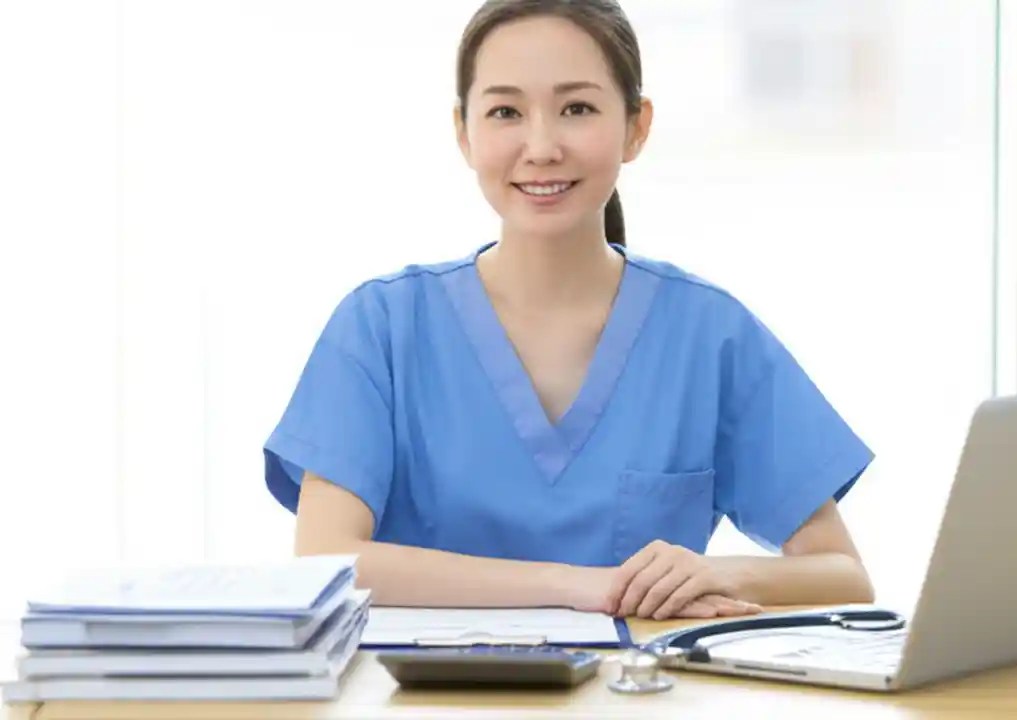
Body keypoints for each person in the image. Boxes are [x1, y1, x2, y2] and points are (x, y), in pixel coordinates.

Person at [264, 0, 876, 621]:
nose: (541, 146)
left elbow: (844, 575)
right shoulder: (381, 328)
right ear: (463, 133)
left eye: (577, 109)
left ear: (637, 126)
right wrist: (579, 585)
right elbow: (325, 560)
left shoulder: (709, 334)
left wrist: (712, 571)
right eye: (505, 111)